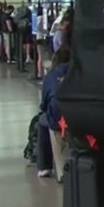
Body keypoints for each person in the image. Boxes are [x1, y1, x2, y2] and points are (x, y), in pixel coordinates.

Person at [38, 46, 72, 182]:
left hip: (59, 119)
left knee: (42, 120)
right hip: (82, 116)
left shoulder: (50, 77)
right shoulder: (81, 72)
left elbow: (44, 105)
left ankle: (45, 167)